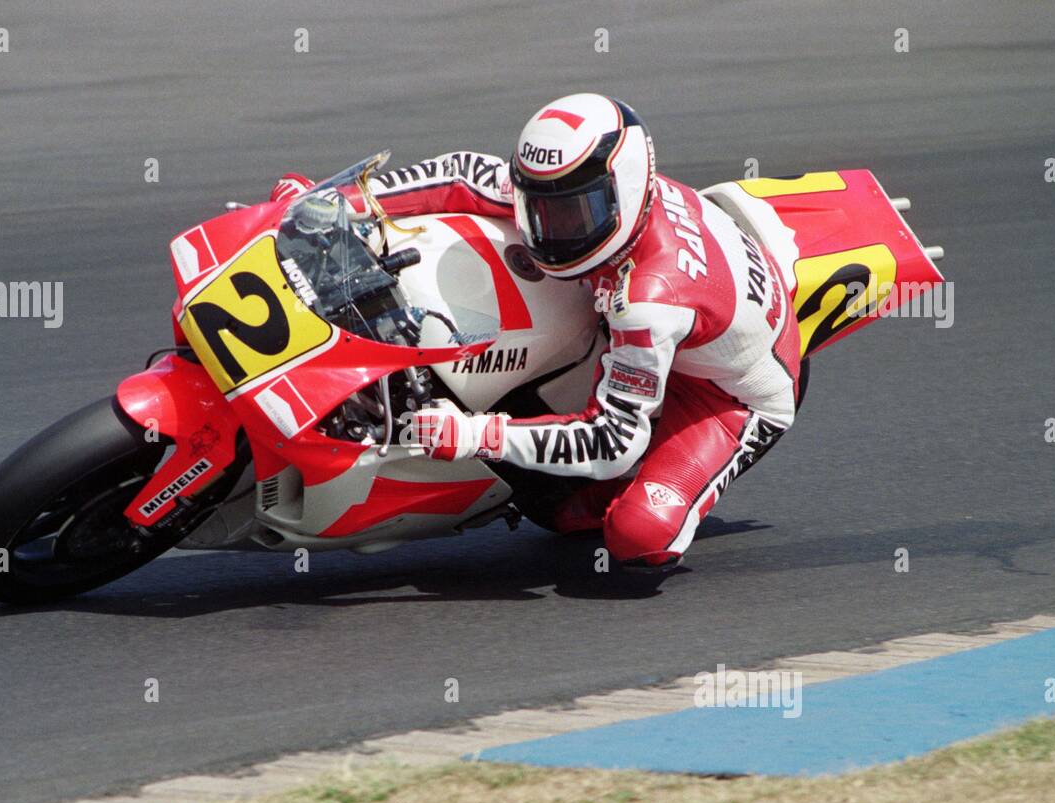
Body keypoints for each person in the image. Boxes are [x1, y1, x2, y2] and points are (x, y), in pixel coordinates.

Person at [270, 92, 802, 570]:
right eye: (538, 206)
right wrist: (331, 203)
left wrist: (481, 435)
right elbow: (460, 175)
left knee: (632, 532)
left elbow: (614, 440)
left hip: (726, 393)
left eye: (572, 214)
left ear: (624, 192)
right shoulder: (573, 188)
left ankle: (618, 488)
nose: (550, 229)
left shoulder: (649, 300)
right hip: (652, 312)